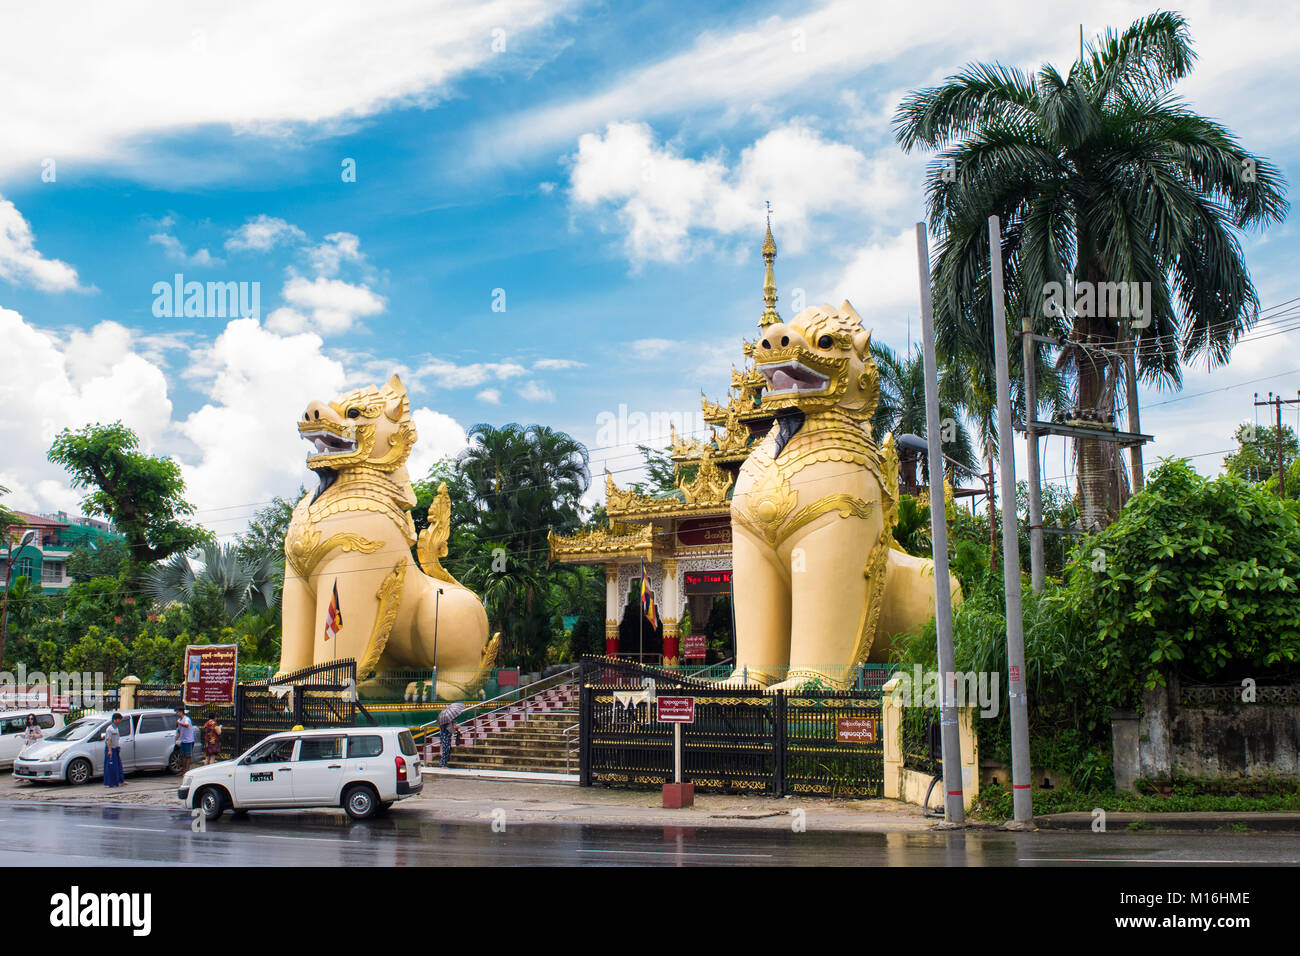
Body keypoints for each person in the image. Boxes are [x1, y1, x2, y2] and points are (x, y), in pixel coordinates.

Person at [436, 701, 467, 768]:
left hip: (443, 735)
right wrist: (457, 727)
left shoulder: (444, 719)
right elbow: (450, 727)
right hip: (446, 735)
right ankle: (443, 764)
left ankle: (444, 763)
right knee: (446, 749)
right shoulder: (449, 720)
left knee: (446, 749)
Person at [104, 713, 125, 788]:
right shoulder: (110, 729)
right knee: (111, 767)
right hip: (111, 749)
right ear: (115, 720)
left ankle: (120, 781)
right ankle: (109, 783)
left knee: (118, 766)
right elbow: (109, 740)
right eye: (119, 719)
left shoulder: (116, 728)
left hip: (116, 748)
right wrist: (110, 750)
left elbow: (117, 739)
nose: (120, 721)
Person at [174, 706, 195, 774]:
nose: (177, 714)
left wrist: (179, 723)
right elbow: (179, 731)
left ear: (181, 712)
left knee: (188, 756)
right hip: (183, 740)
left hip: (189, 740)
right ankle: (183, 770)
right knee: (182, 756)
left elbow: (186, 725)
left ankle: (187, 771)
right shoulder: (179, 720)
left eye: (177, 712)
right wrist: (176, 739)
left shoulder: (186, 719)